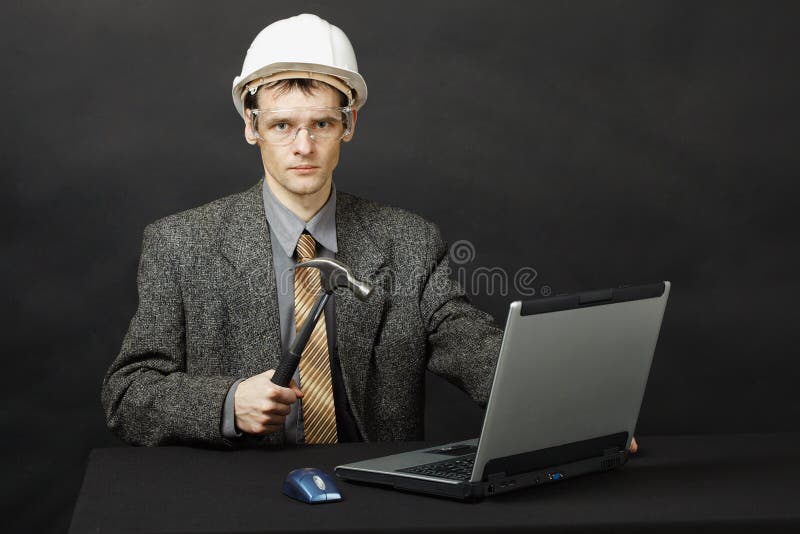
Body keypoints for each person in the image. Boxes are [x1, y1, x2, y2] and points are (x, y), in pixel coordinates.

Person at [100, 14, 504, 448]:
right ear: (252, 127)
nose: (303, 146)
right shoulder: (180, 245)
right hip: (238, 497)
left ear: (348, 126)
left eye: (322, 124)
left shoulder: (410, 241)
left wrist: (551, 376)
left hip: (373, 495)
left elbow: (475, 350)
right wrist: (226, 403)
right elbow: (126, 394)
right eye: (282, 126)